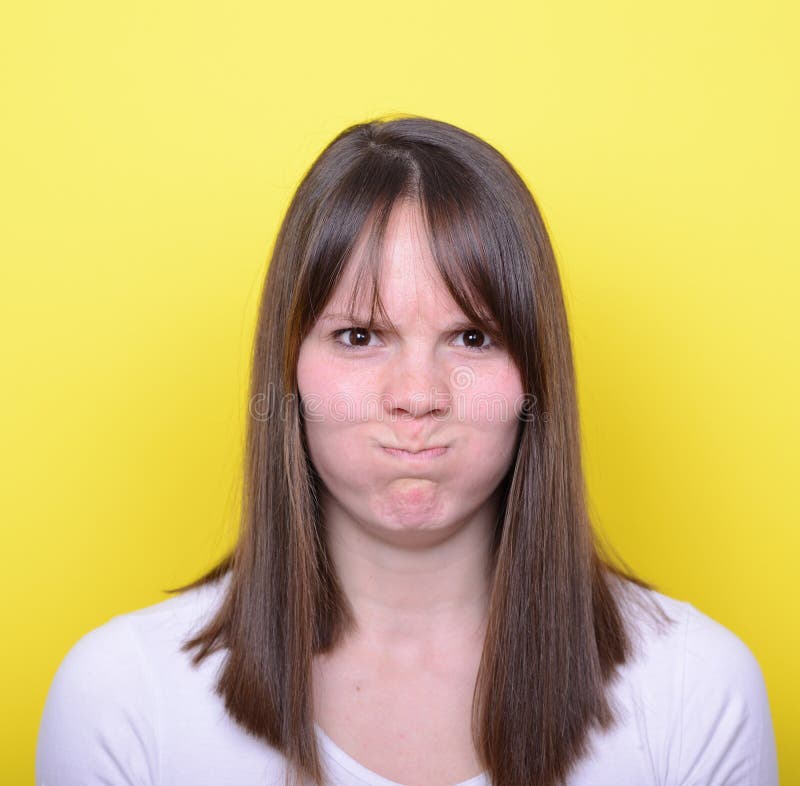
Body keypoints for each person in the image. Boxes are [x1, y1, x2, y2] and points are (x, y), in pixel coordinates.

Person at [35, 115, 779, 786]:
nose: (418, 396)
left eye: (472, 337)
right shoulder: (121, 698)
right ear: (288, 369)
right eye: (360, 336)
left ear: (534, 375)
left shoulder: (696, 689)